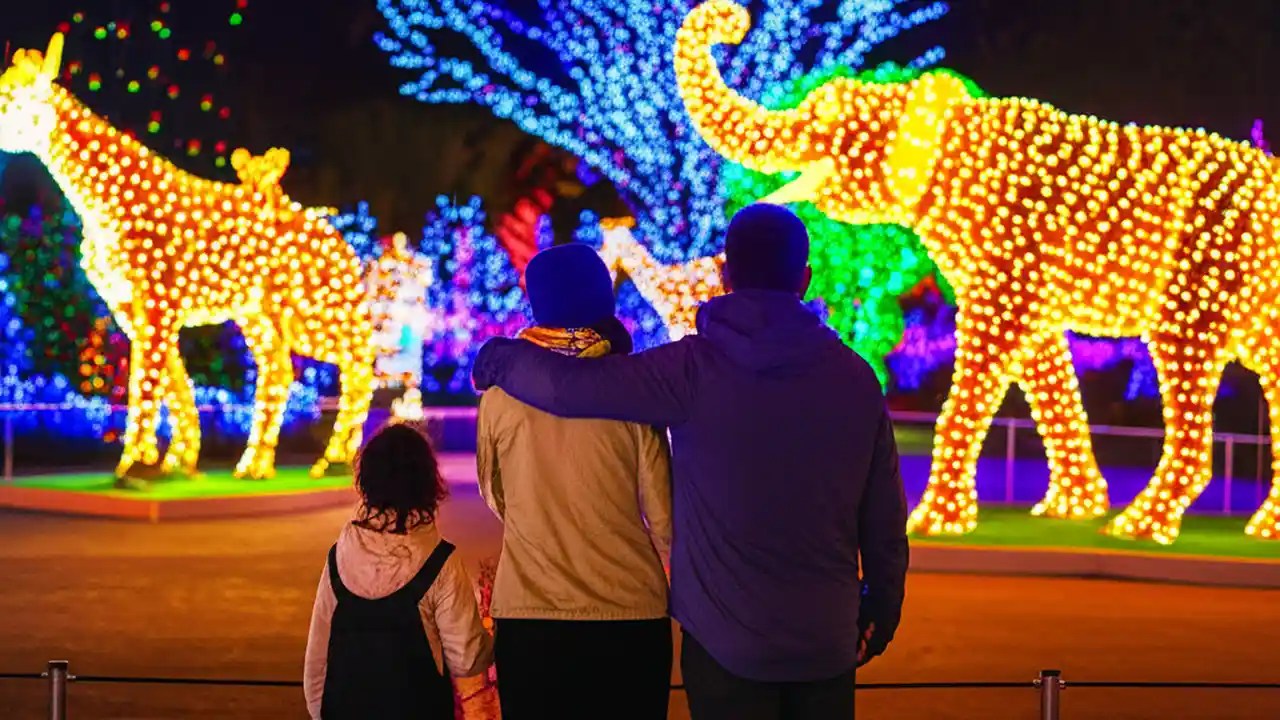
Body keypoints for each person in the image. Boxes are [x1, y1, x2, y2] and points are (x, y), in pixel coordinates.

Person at [473, 203, 908, 719]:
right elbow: (884, 521)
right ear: (806, 279)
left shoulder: (690, 370)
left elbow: (571, 388)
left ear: (724, 274)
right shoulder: (855, 381)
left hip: (725, 641)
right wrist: (879, 609)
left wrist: (501, 357)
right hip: (824, 639)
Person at [478, 243, 674, 719]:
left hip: (531, 610)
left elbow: (494, 494)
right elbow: (665, 516)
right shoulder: (631, 387)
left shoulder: (500, 397)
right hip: (629, 612)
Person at [303, 422, 492, 719]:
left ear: (366, 479)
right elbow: (467, 660)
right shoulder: (439, 562)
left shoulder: (338, 557)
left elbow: (317, 663)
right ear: (427, 482)